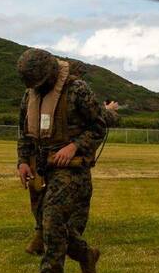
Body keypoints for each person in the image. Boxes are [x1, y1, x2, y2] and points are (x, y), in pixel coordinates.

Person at [15, 49, 108, 273]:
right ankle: (87, 254)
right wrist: (23, 161)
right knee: (49, 226)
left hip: (72, 168)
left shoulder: (78, 90)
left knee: (52, 217)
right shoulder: (30, 95)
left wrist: (74, 146)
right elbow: (24, 132)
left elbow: (99, 127)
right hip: (42, 167)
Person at [25, 96, 117, 256]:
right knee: (48, 201)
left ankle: (49, 239)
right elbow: (100, 119)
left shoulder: (61, 90)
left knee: (48, 201)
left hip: (53, 157)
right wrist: (109, 111)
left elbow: (96, 121)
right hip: (50, 157)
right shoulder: (67, 90)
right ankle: (49, 238)